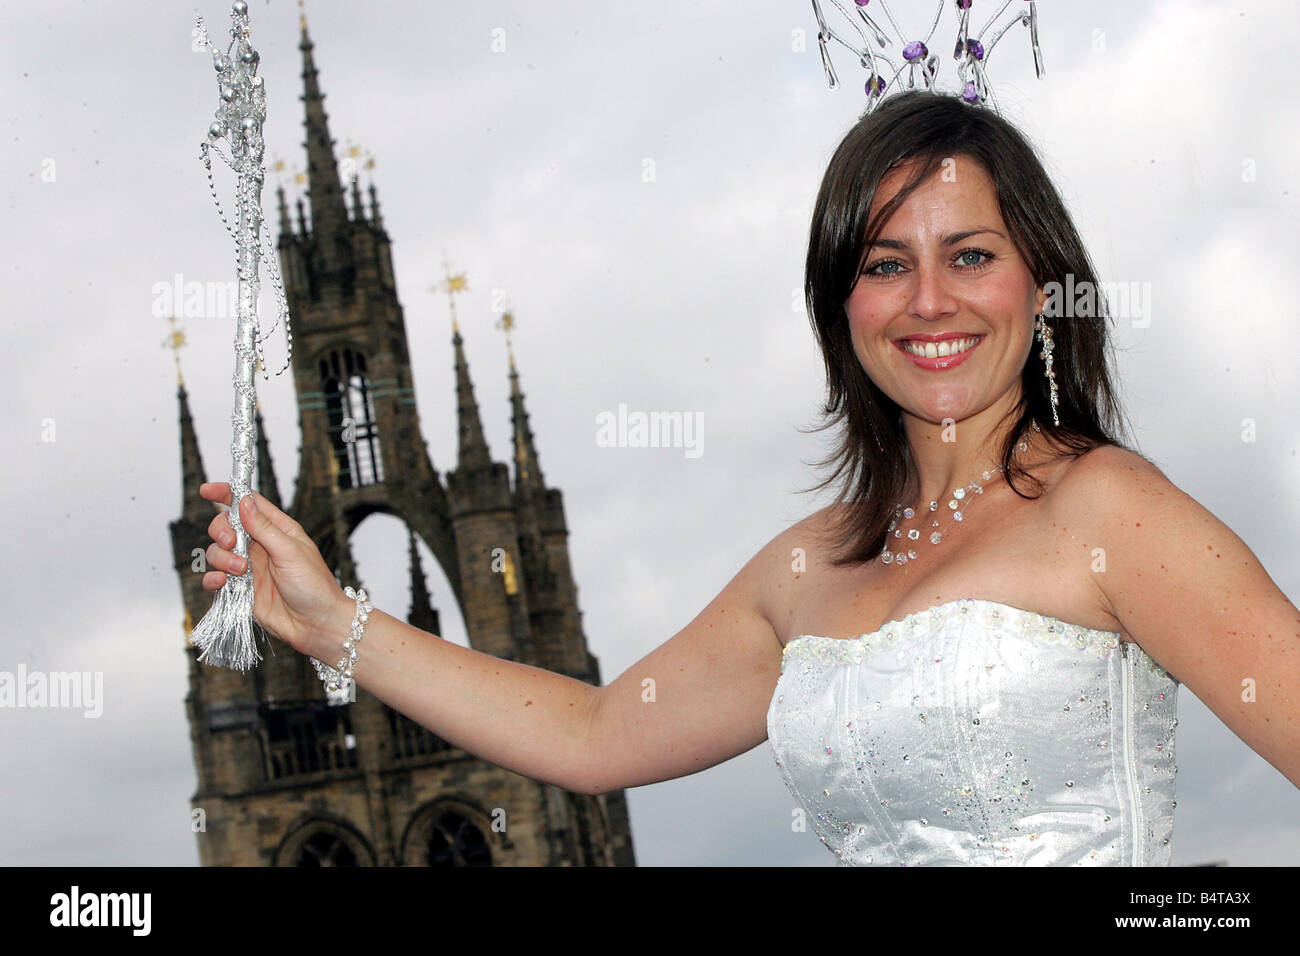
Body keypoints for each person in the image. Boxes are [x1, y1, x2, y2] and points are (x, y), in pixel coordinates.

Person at [198, 91, 1300, 865]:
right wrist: (332, 619)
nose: (929, 300)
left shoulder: (1109, 509)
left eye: (969, 253)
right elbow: (591, 737)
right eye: (882, 264)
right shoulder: (808, 564)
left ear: (1040, 281)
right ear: (840, 307)